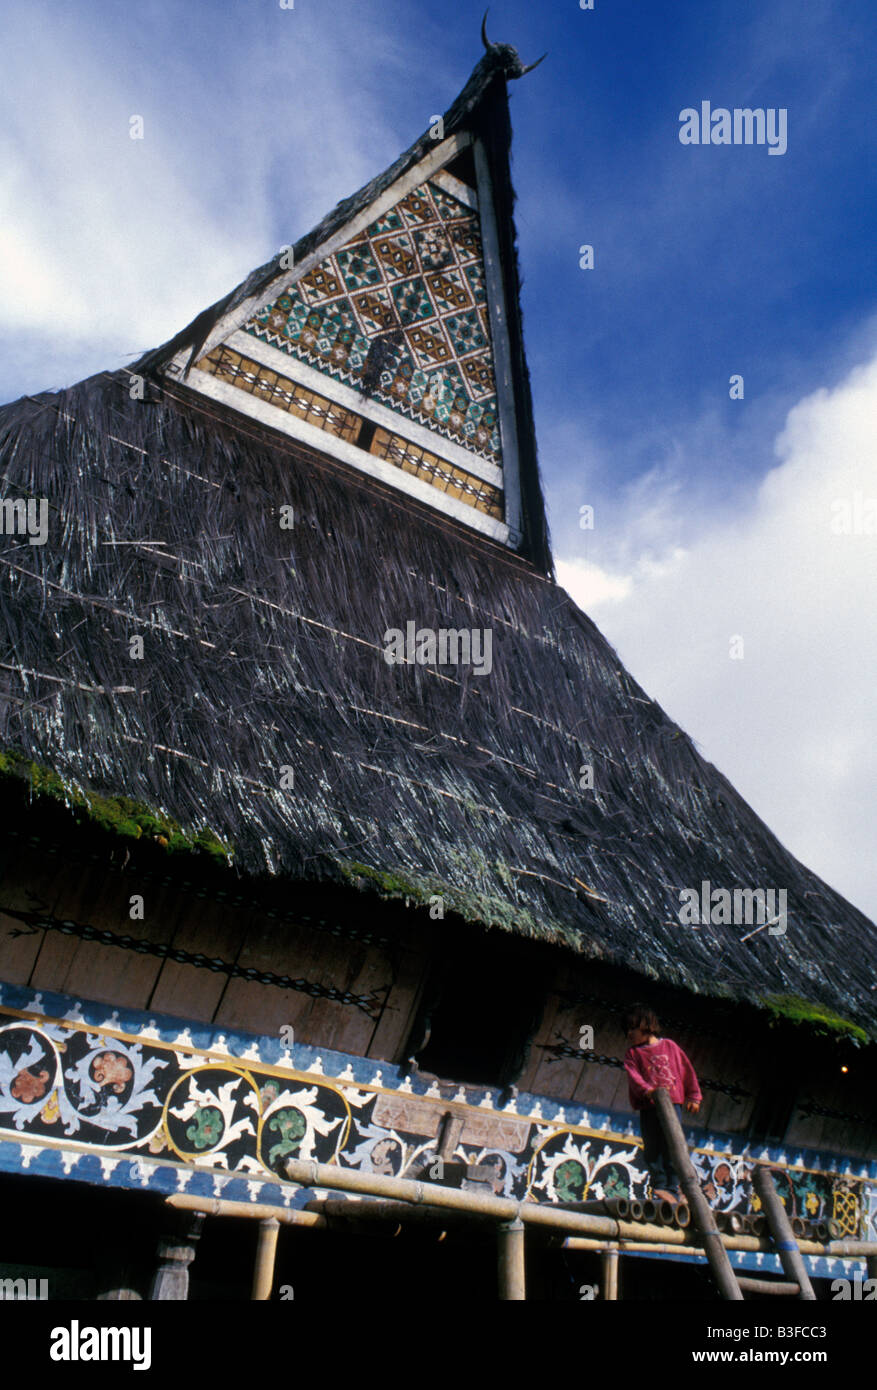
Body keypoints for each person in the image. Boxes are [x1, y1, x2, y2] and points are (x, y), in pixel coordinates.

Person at [623, 1004, 701, 1204]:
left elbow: (686, 1070)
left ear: (646, 1025)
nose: (629, 1033)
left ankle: (672, 1188)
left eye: (633, 1028)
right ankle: (660, 1185)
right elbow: (634, 1076)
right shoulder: (633, 1054)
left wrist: (694, 1095)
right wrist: (646, 1090)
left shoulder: (670, 1047)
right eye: (627, 1030)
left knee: (672, 1145)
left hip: (672, 1105)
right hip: (649, 1107)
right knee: (652, 1147)